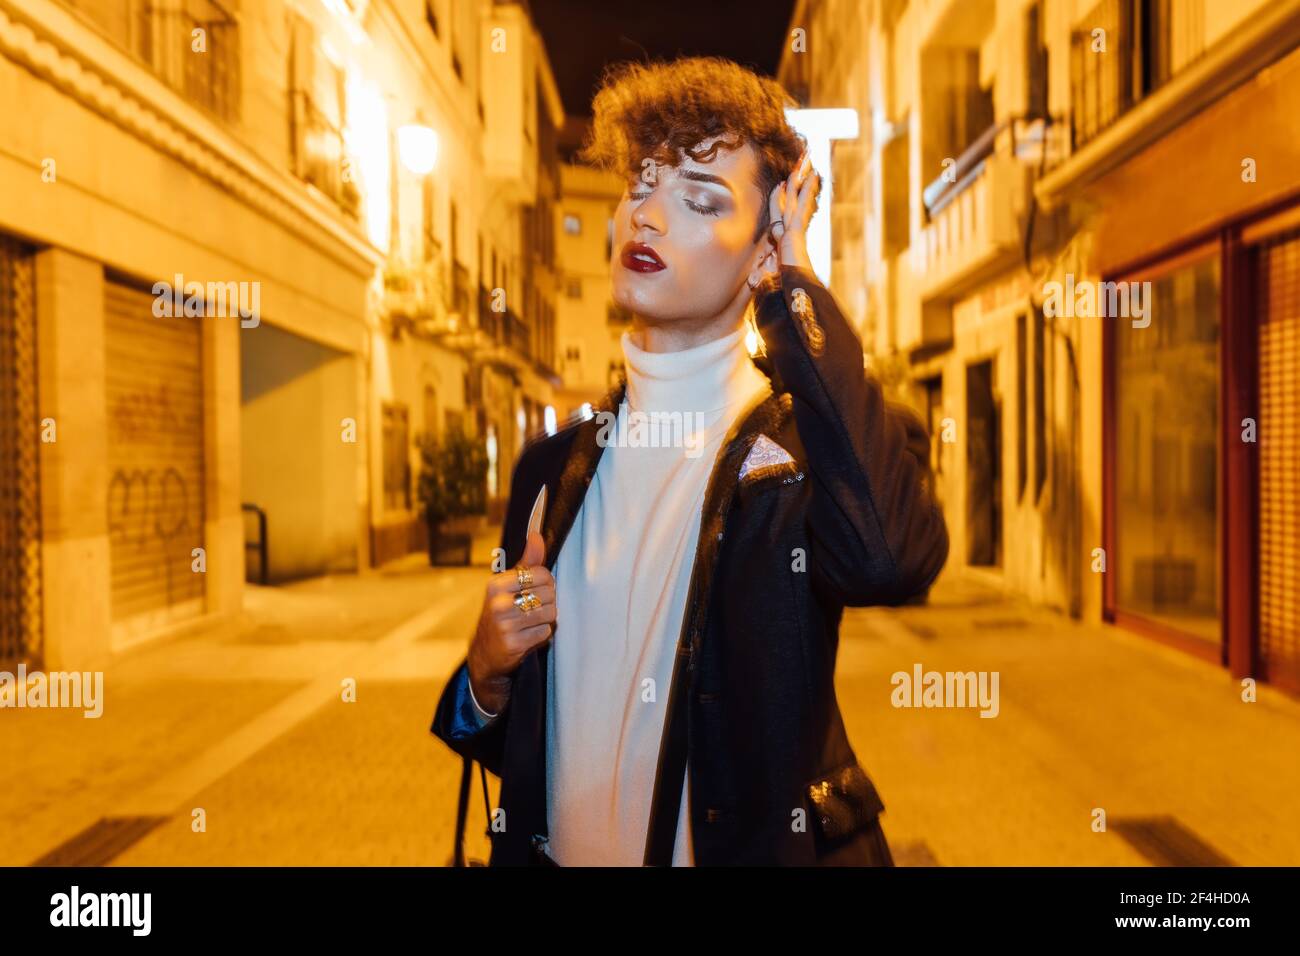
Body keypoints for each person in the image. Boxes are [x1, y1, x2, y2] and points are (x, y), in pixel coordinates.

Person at [431, 56, 948, 866]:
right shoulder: (551, 470)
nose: (649, 217)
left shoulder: (801, 450)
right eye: (641, 185)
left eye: (701, 199)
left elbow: (889, 558)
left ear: (764, 249)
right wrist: (487, 678)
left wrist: (796, 289)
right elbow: (541, 757)